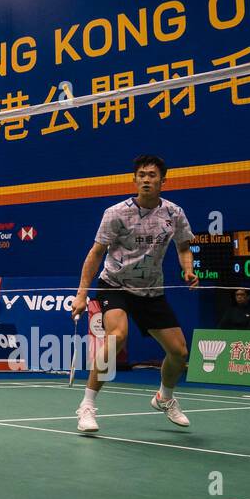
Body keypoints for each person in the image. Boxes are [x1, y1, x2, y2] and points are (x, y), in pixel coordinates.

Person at [71, 154, 198, 435]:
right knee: (118, 336)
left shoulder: (174, 213)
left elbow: (184, 247)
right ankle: (87, 405)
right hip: (114, 284)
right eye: (141, 175)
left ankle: (164, 397)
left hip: (151, 289)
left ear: (163, 181)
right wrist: (82, 295)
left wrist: (187, 270)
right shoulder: (116, 213)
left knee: (179, 352)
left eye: (152, 175)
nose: (146, 180)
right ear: (134, 179)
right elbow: (95, 254)